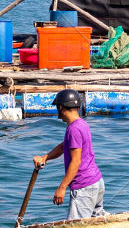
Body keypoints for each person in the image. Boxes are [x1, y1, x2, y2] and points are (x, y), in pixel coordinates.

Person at [31, 89, 105, 220]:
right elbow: (64, 146)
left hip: (84, 188)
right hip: (96, 183)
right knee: (97, 223)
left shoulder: (73, 129)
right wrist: (46, 157)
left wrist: (62, 187)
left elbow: (75, 161)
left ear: (61, 107)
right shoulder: (82, 124)